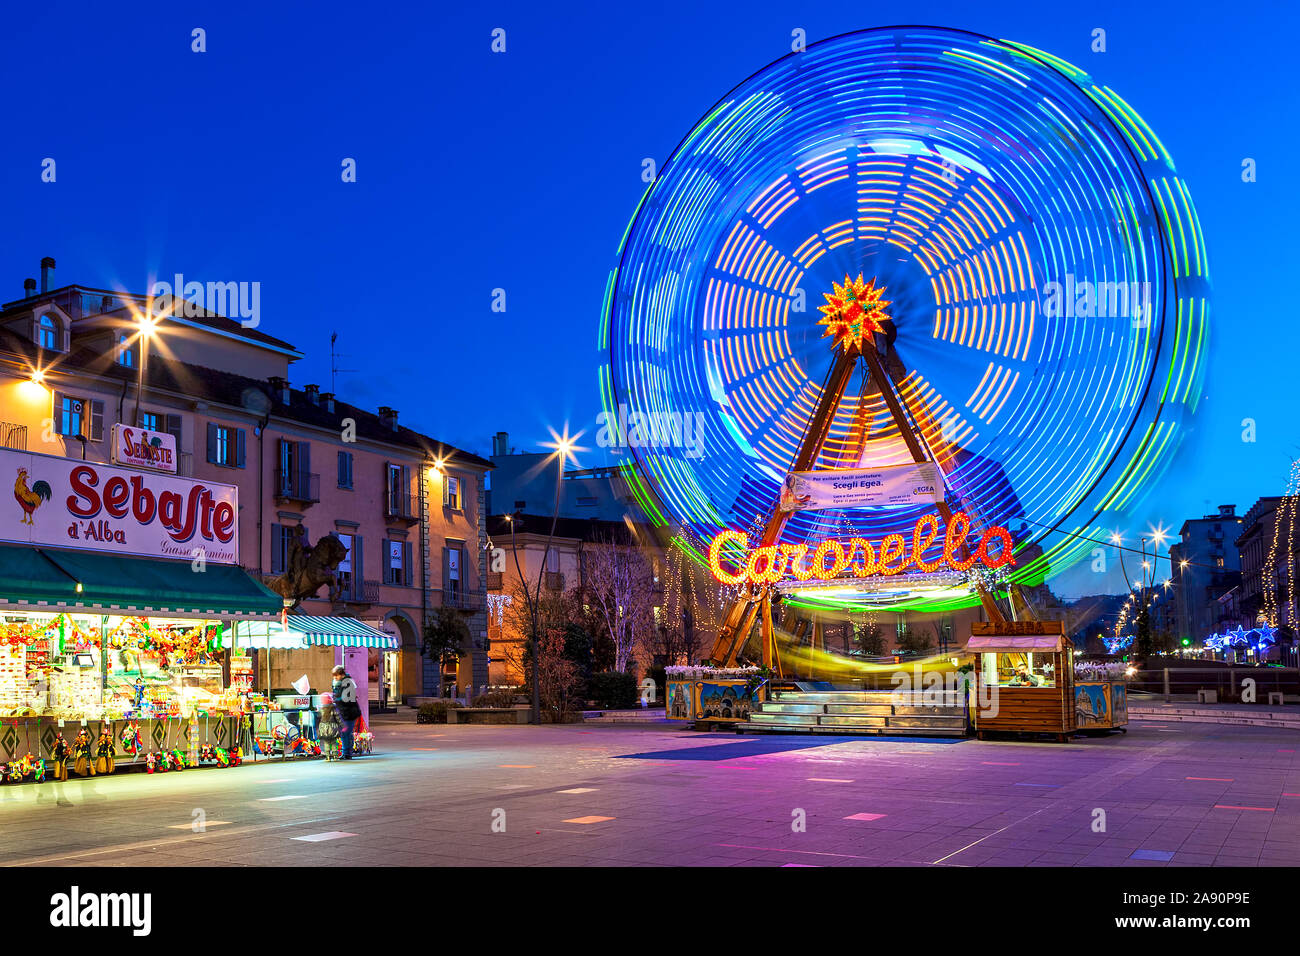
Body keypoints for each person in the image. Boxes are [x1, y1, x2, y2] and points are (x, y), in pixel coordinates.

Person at [332, 664, 361, 759]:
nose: (335, 678)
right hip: (345, 712)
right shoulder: (341, 683)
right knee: (346, 733)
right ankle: (347, 753)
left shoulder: (347, 683)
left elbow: (347, 698)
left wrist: (336, 699)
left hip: (350, 712)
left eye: (336, 675)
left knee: (345, 733)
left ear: (341, 674)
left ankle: (347, 753)